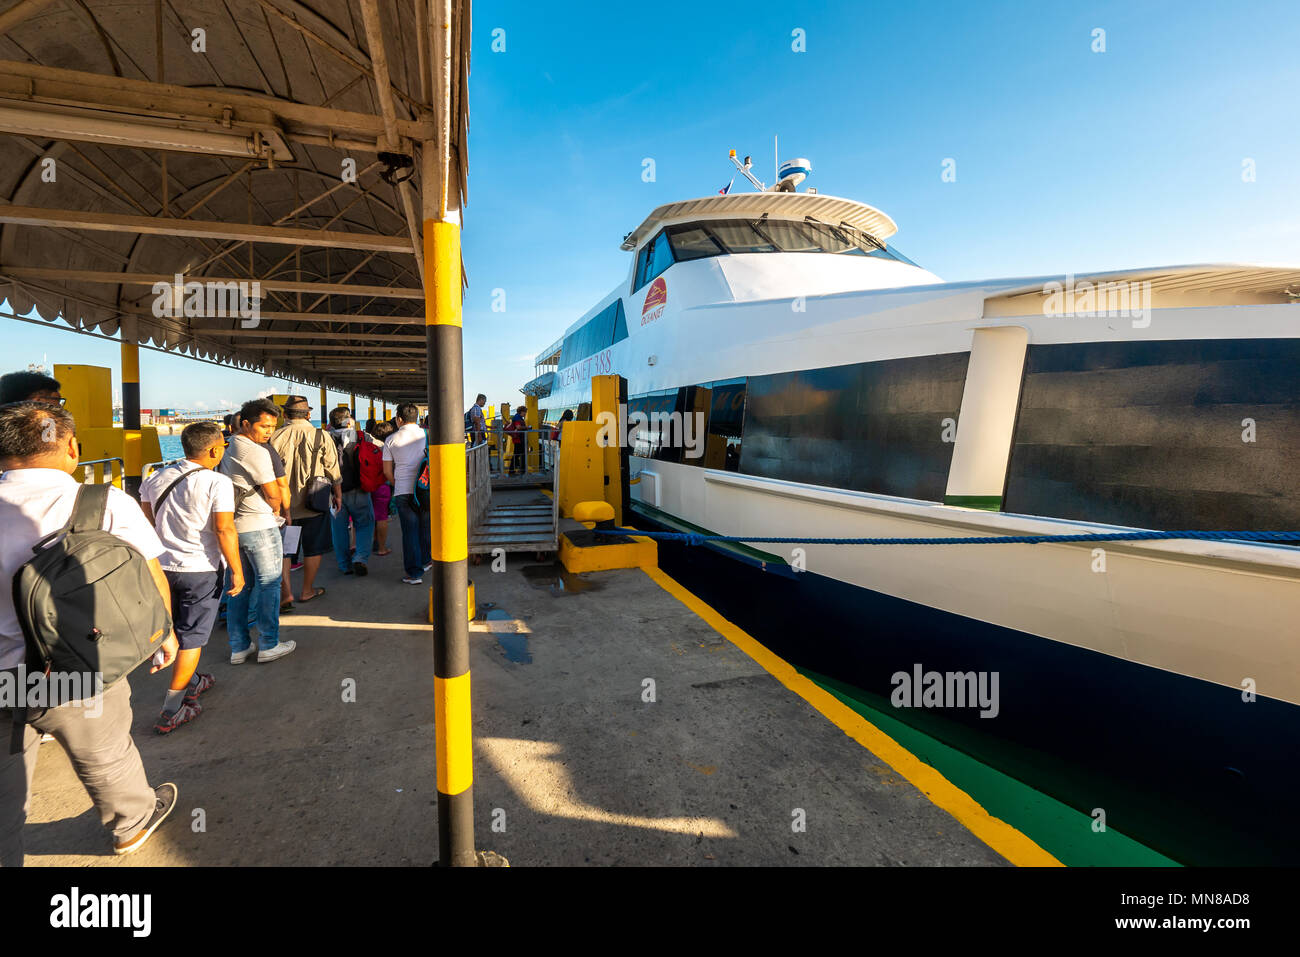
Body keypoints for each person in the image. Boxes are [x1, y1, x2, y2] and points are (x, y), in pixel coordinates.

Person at [0, 401, 179, 863]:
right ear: (73, 447)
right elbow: (148, 572)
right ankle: (131, 825)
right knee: (105, 752)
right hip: (77, 664)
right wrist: (163, 634)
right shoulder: (103, 501)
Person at [140, 421, 243, 733]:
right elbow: (224, 529)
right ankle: (173, 708)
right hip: (200, 569)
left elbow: (147, 524)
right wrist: (237, 570)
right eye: (222, 447)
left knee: (170, 628)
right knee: (192, 638)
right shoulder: (217, 482)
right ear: (213, 449)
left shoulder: (155, 477)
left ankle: (195, 679)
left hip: (160, 567)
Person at [219, 398, 295, 665]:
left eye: (273, 426)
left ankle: (239, 646)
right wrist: (276, 511)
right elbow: (273, 493)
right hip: (260, 527)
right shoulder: (257, 451)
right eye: (264, 426)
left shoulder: (230, 447)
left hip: (235, 527)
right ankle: (268, 644)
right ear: (246, 423)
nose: (268, 432)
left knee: (240, 585)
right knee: (269, 583)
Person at [269, 396, 340, 604]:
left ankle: (286, 593)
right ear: (309, 414)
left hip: (284, 506)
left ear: (284, 414)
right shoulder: (321, 436)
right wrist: (338, 494)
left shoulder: (275, 437)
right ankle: (307, 590)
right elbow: (333, 469)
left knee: (286, 550)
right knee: (314, 547)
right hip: (314, 503)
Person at [383, 403, 430, 584]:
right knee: (425, 527)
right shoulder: (427, 434)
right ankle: (427, 560)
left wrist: (398, 485)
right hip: (425, 489)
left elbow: (387, 471)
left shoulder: (391, 439)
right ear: (417, 417)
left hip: (404, 491)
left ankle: (414, 573)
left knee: (409, 532)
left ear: (399, 419)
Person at [327, 407, 375, 577]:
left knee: (338, 529)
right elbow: (379, 450)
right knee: (365, 524)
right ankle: (360, 557)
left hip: (333, 492)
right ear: (349, 421)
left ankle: (344, 564)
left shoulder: (326, 439)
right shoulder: (361, 436)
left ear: (331, 423)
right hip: (359, 488)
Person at [369, 419, 396, 557]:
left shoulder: (369, 446)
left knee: (373, 516)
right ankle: (381, 547)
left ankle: (374, 541)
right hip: (383, 485)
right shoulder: (387, 447)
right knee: (382, 517)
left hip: (368, 484)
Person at [503, 405, 528, 476]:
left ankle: (517, 470)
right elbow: (518, 427)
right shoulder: (517, 418)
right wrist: (527, 427)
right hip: (519, 439)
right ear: (522, 412)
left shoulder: (517, 417)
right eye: (525, 412)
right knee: (518, 455)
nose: (525, 414)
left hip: (518, 439)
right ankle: (516, 470)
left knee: (519, 454)